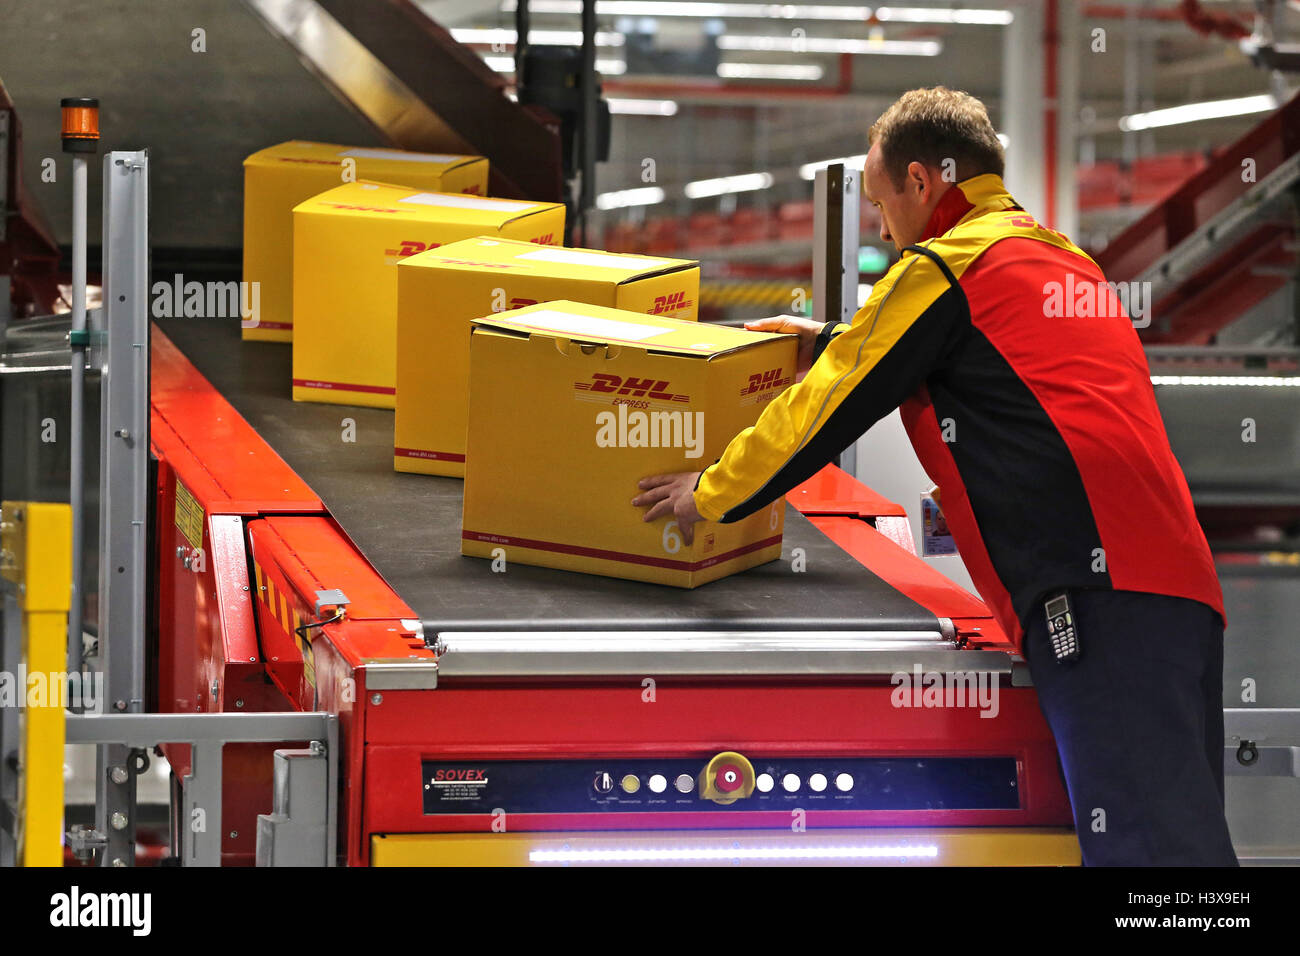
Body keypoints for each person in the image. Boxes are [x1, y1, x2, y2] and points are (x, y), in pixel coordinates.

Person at [633, 86, 1236, 866]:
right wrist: (827, 337)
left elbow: (828, 406)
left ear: (924, 182)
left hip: (1098, 596)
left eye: (883, 205)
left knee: (1156, 868)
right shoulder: (1059, 259)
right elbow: (967, 356)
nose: (884, 229)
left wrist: (711, 492)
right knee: (1183, 845)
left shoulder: (946, 265)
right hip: (1178, 593)